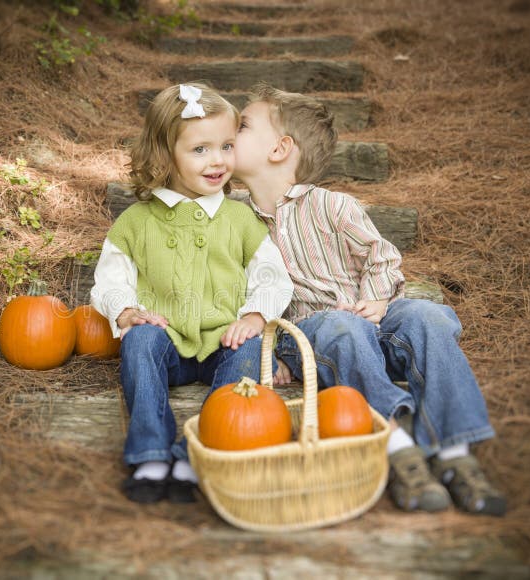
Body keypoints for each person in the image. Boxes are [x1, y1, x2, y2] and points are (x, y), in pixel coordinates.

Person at [231, 82, 506, 516]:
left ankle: (456, 456)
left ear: (280, 149)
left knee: (428, 316)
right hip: (312, 334)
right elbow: (235, 293)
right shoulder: (232, 218)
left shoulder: (333, 207)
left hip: (371, 319)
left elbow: (381, 257)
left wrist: (377, 301)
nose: (231, 130)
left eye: (242, 125)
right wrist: (270, 350)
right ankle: (397, 447)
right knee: (342, 326)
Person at [91, 83, 293, 504]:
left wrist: (255, 316)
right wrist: (126, 310)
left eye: (225, 146)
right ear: (165, 156)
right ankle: (150, 454)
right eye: (200, 150)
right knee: (140, 341)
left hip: (224, 338)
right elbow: (110, 278)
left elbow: (273, 276)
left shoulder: (240, 219)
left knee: (249, 351)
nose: (218, 160)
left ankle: (191, 456)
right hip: (165, 336)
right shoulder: (136, 221)